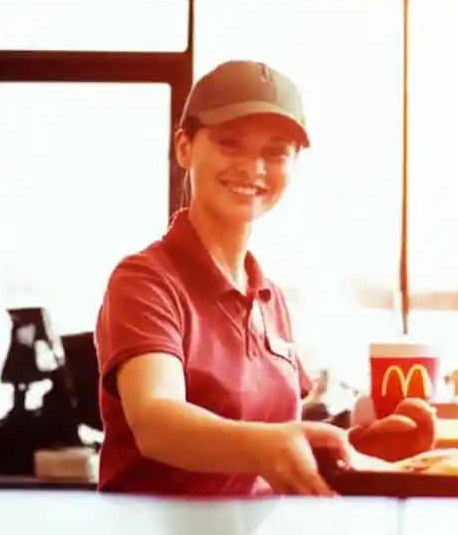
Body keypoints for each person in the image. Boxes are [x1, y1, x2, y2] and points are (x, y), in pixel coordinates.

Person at [94, 60, 350, 497]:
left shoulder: (269, 297)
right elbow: (156, 421)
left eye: (276, 152)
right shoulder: (145, 281)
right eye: (231, 144)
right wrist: (270, 447)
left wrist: (365, 448)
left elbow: (283, 443)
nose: (254, 168)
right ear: (184, 147)